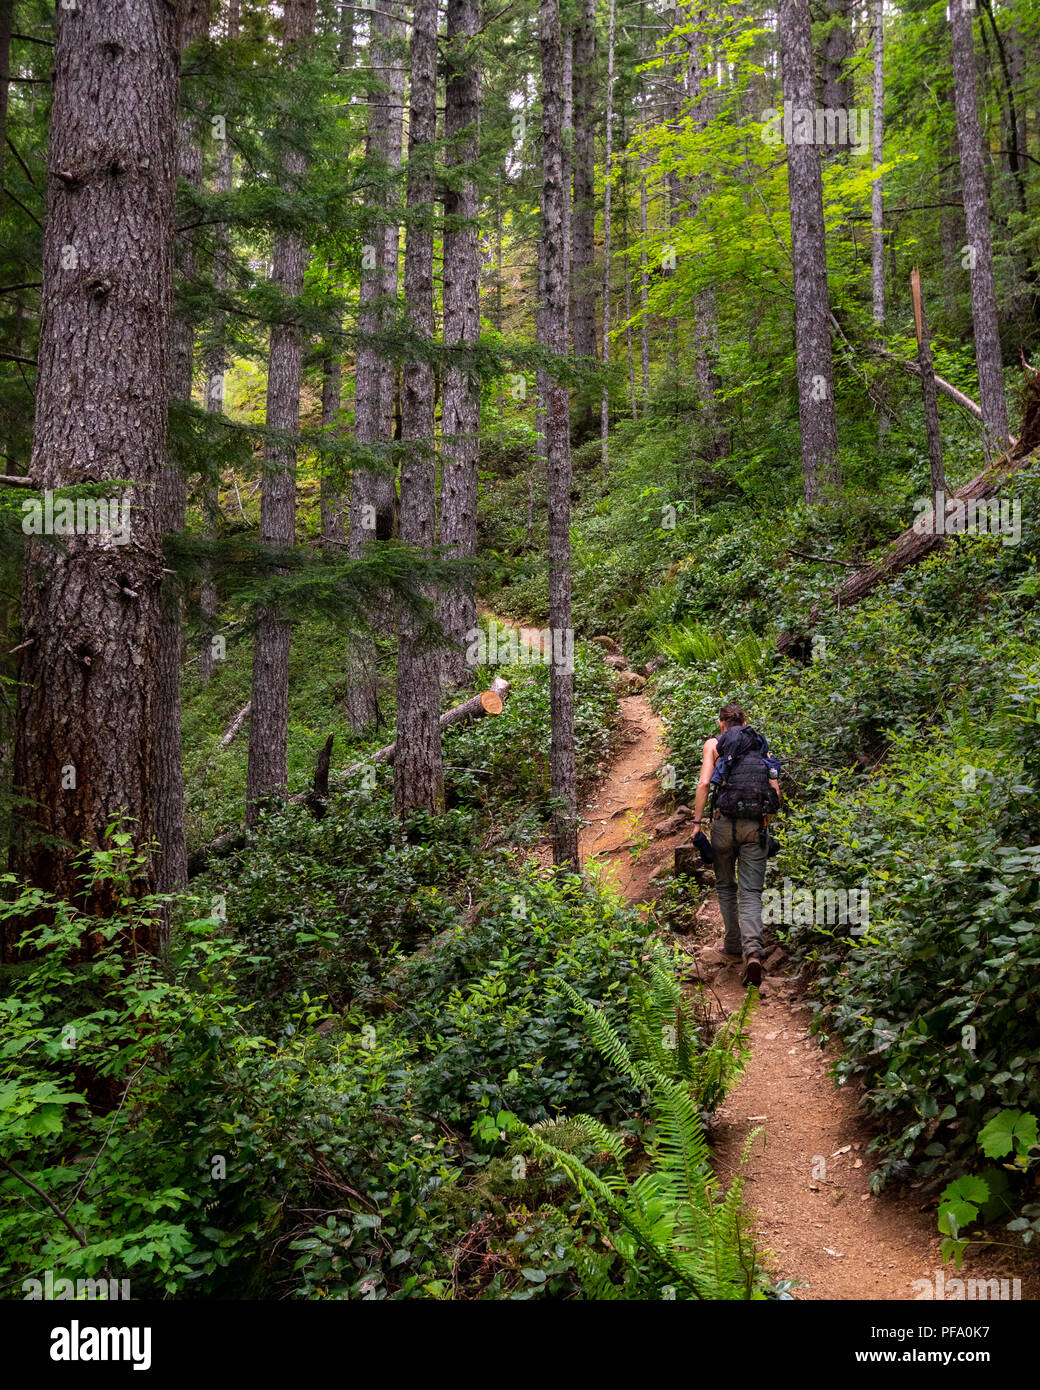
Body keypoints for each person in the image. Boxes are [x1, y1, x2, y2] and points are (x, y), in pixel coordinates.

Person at [692, 703, 780, 987]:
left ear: (721, 723)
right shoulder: (758, 741)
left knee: (726, 885)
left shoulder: (714, 744)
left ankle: (731, 943)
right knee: (752, 891)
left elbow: (705, 783)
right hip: (755, 824)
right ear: (745, 722)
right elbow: (773, 785)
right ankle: (753, 951)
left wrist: (696, 824)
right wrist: (767, 821)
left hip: (722, 823)